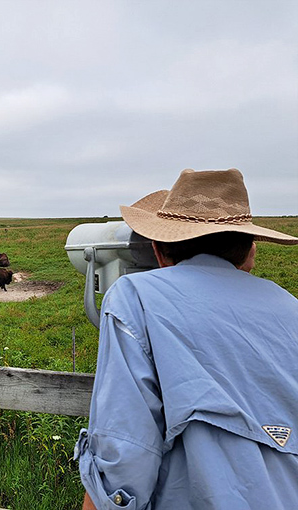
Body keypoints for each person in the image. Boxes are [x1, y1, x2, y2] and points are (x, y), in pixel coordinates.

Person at [75, 168, 298, 510]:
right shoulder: (291, 308)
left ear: (159, 250)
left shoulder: (134, 298)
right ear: (250, 251)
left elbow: (125, 452)